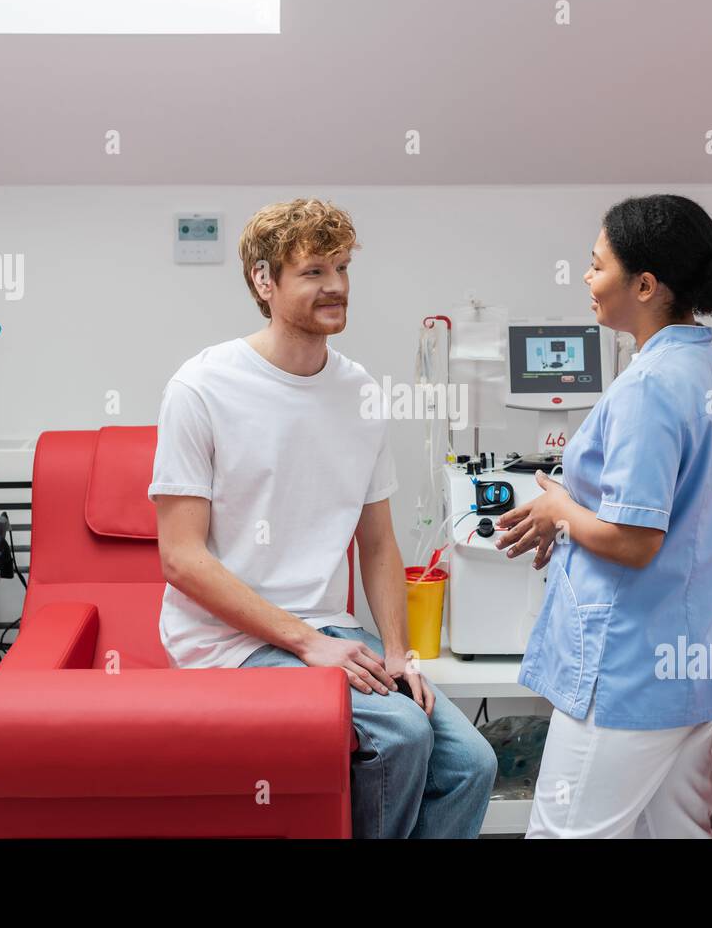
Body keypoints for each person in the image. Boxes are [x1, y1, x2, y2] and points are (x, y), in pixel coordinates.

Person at [148, 197, 496, 839]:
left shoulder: (360, 391)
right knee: (398, 732)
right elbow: (181, 558)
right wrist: (308, 643)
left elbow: (380, 543)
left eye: (341, 267)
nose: (335, 286)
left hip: (331, 631)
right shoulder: (201, 388)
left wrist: (398, 652)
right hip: (230, 644)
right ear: (264, 280)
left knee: (473, 765)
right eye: (312, 272)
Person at [496, 194, 712, 838]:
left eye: (596, 265)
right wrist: (571, 511)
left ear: (644, 284)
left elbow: (636, 541)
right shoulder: (711, 371)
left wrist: (557, 507)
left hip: (629, 672)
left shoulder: (648, 387)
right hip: (690, 667)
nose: (587, 278)